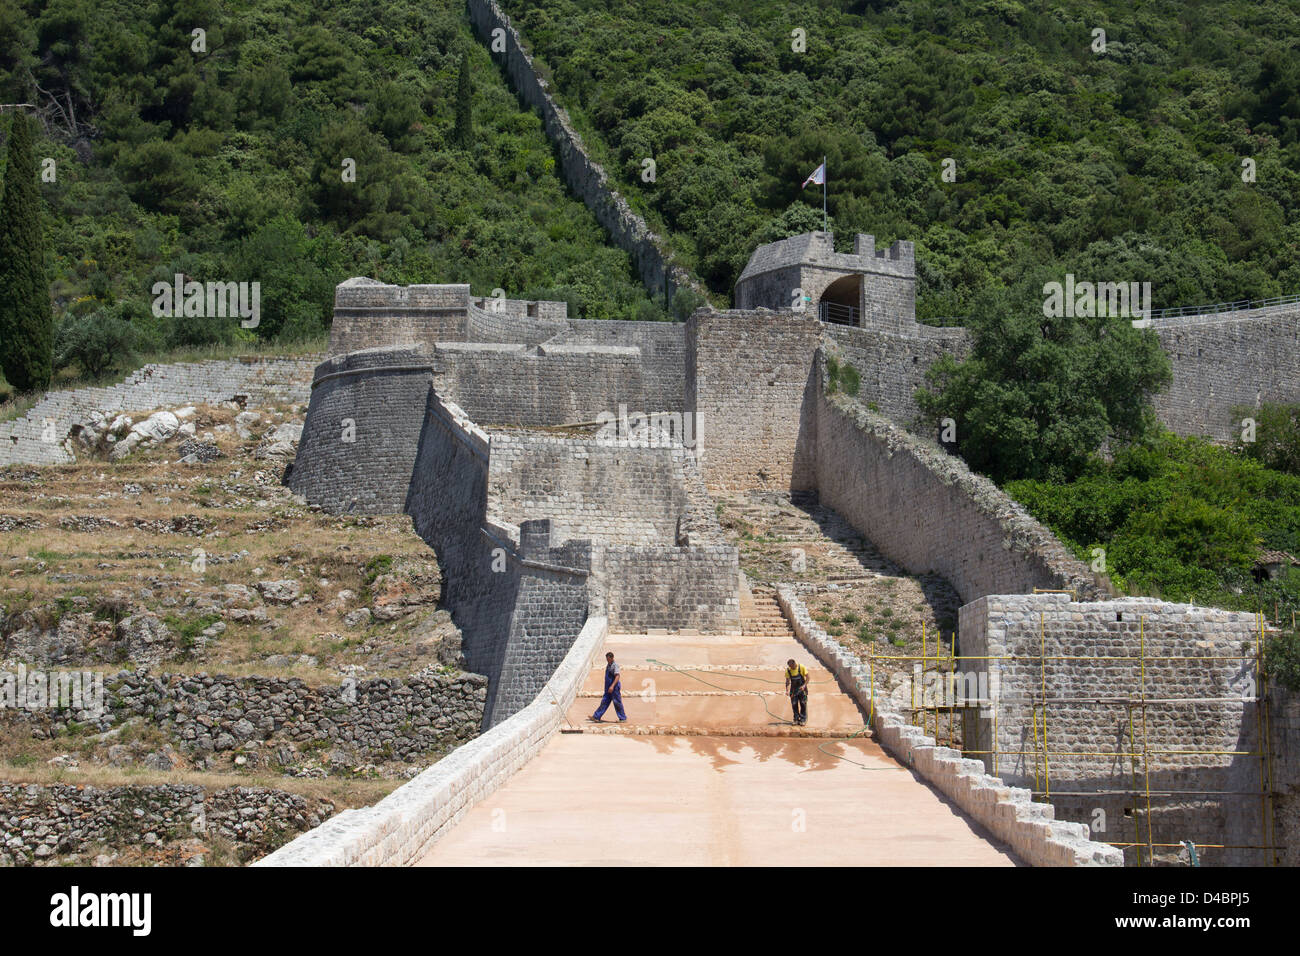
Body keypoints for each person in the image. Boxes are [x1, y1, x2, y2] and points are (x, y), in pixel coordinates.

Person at [590, 651, 627, 722]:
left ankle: (622, 718)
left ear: (612, 658)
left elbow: (617, 676)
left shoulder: (615, 666)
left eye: (608, 659)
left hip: (614, 687)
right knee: (604, 701)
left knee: (617, 702)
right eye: (607, 659)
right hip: (608, 688)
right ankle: (596, 716)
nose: (607, 660)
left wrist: (612, 686)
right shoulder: (608, 665)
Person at [785, 658, 809, 726]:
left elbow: (808, 677)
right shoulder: (788, 670)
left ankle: (803, 719)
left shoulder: (801, 667)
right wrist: (787, 690)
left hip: (802, 689)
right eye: (790, 667)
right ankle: (796, 719)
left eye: (792, 667)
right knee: (794, 704)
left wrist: (804, 685)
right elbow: (787, 681)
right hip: (793, 690)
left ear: (795, 664)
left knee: (803, 704)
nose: (791, 668)